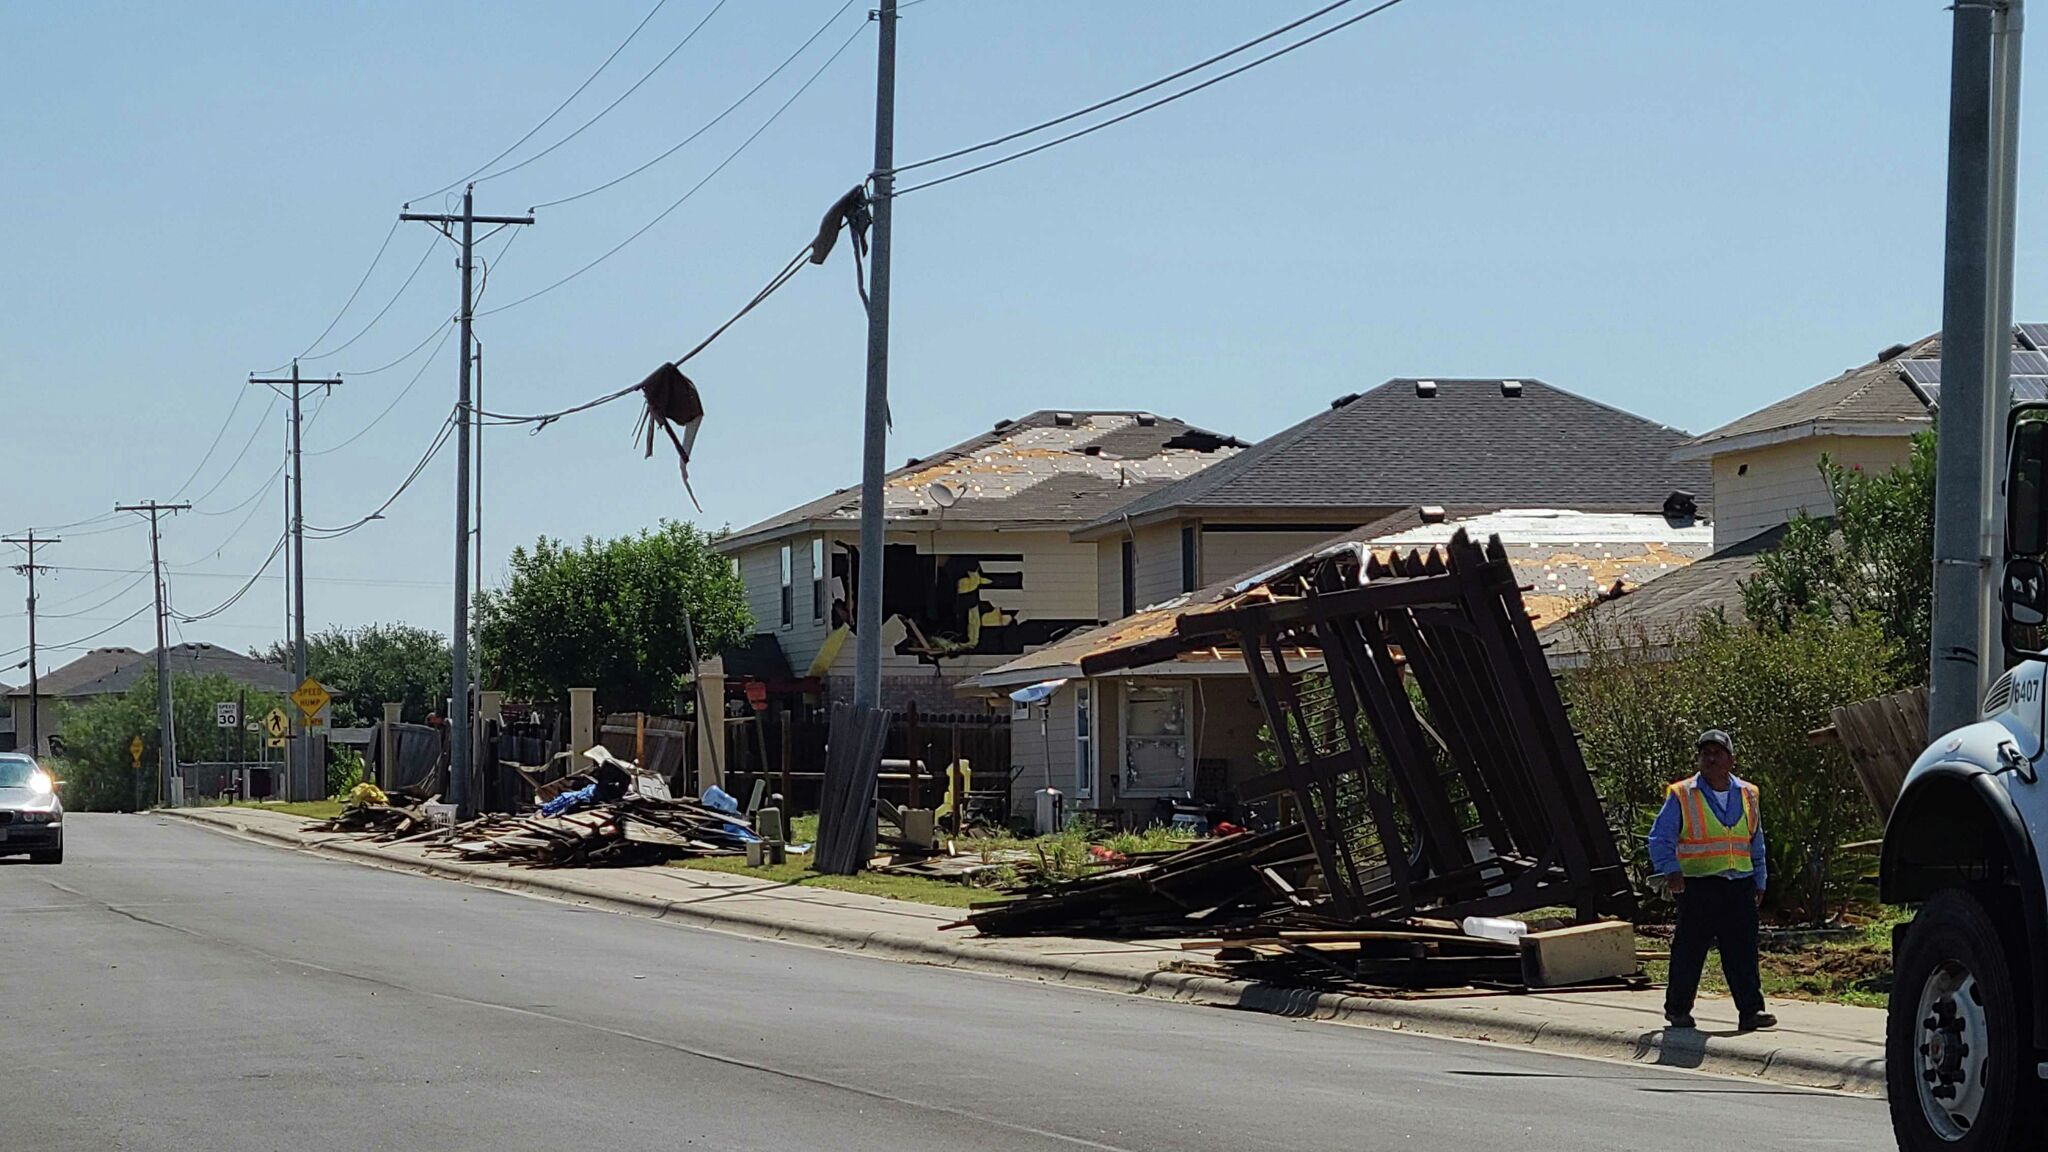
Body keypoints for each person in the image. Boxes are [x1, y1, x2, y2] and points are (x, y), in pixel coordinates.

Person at [1646, 729, 1777, 1032]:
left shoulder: (1748, 793)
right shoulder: (1682, 793)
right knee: (1689, 952)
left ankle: (1751, 1011)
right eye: (1706, 753)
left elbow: (1755, 840)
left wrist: (1760, 879)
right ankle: (1677, 1010)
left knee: (1742, 952)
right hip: (1698, 886)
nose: (1711, 758)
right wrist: (1671, 870)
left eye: (1718, 752)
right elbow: (1660, 837)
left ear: (1731, 759)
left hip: (1739, 885)